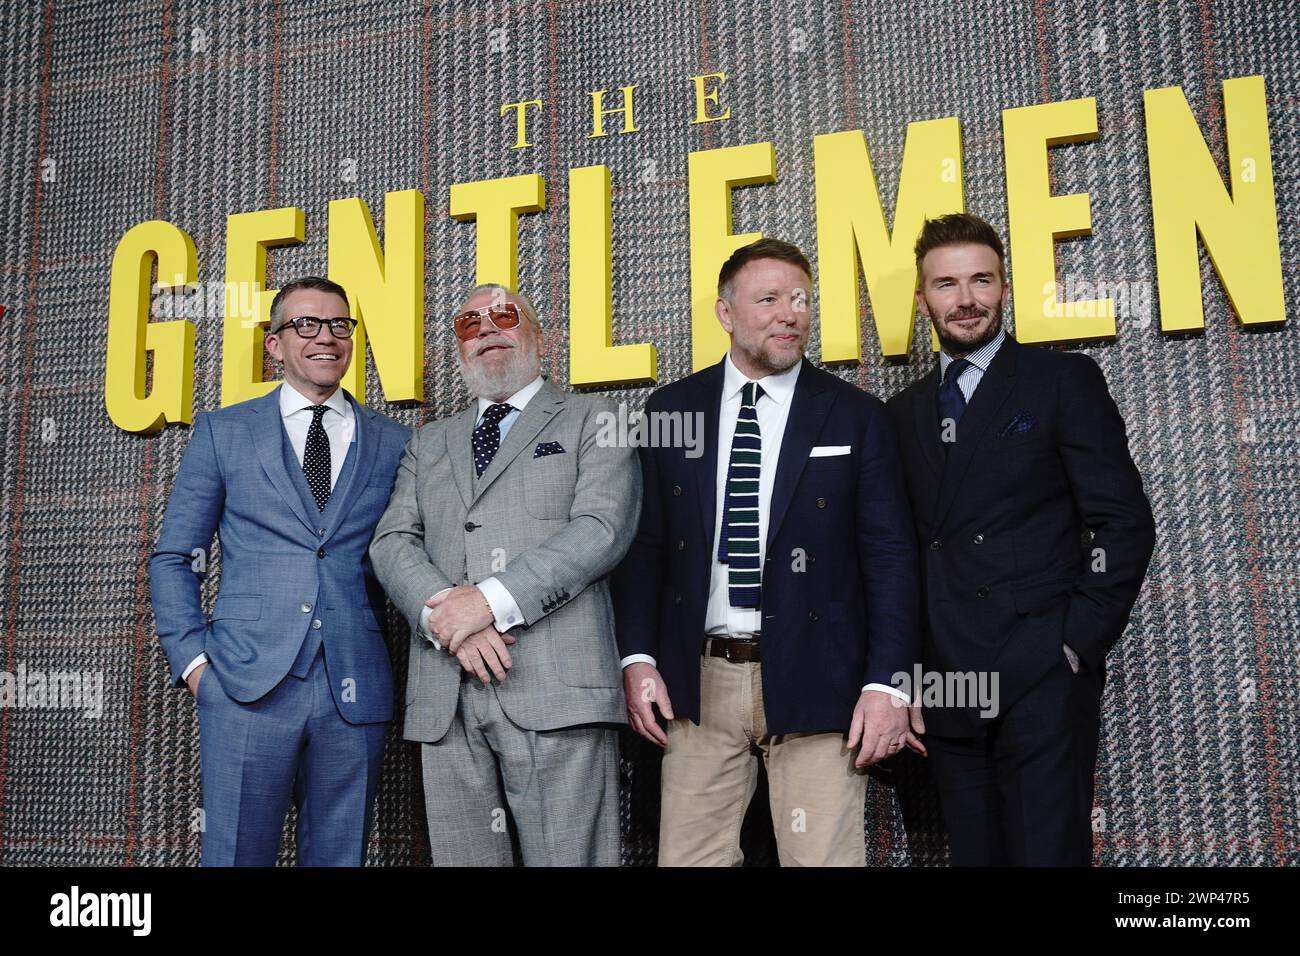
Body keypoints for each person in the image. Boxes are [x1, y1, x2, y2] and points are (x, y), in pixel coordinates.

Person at [612, 238, 921, 866]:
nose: (791, 313)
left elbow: (891, 558)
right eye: (770, 299)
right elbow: (644, 550)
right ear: (726, 314)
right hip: (698, 684)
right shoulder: (672, 410)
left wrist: (888, 684)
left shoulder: (856, 417)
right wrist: (638, 658)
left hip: (820, 677)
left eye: (801, 299)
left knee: (824, 861)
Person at [885, 213, 1156, 866]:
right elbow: (894, 554)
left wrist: (1072, 644)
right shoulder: (900, 414)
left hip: (1041, 674)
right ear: (922, 299)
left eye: (981, 280)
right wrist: (903, 678)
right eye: (947, 284)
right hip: (946, 684)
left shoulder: (1060, 382)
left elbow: (1124, 522)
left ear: (1004, 288)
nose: (966, 299)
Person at [369, 284, 640, 866]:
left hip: (557, 691)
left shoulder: (599, 419)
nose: (487, 329)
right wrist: (451, 616)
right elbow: (392, 541)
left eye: (504, 315)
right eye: (469, 323)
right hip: (446, 692)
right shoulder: (429, 441)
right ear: (459, 351)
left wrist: (488, 601)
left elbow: (601, 529)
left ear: (541, 337)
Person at [150, 276, 410, 865]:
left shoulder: (395, 443)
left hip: (354, 688)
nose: (326, 337)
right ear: (274, 344)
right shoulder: (224, 432)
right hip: (245, 686)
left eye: (340, 325)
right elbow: (174, 557)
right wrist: (195, 666)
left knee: (340, 858)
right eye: (307, 325)